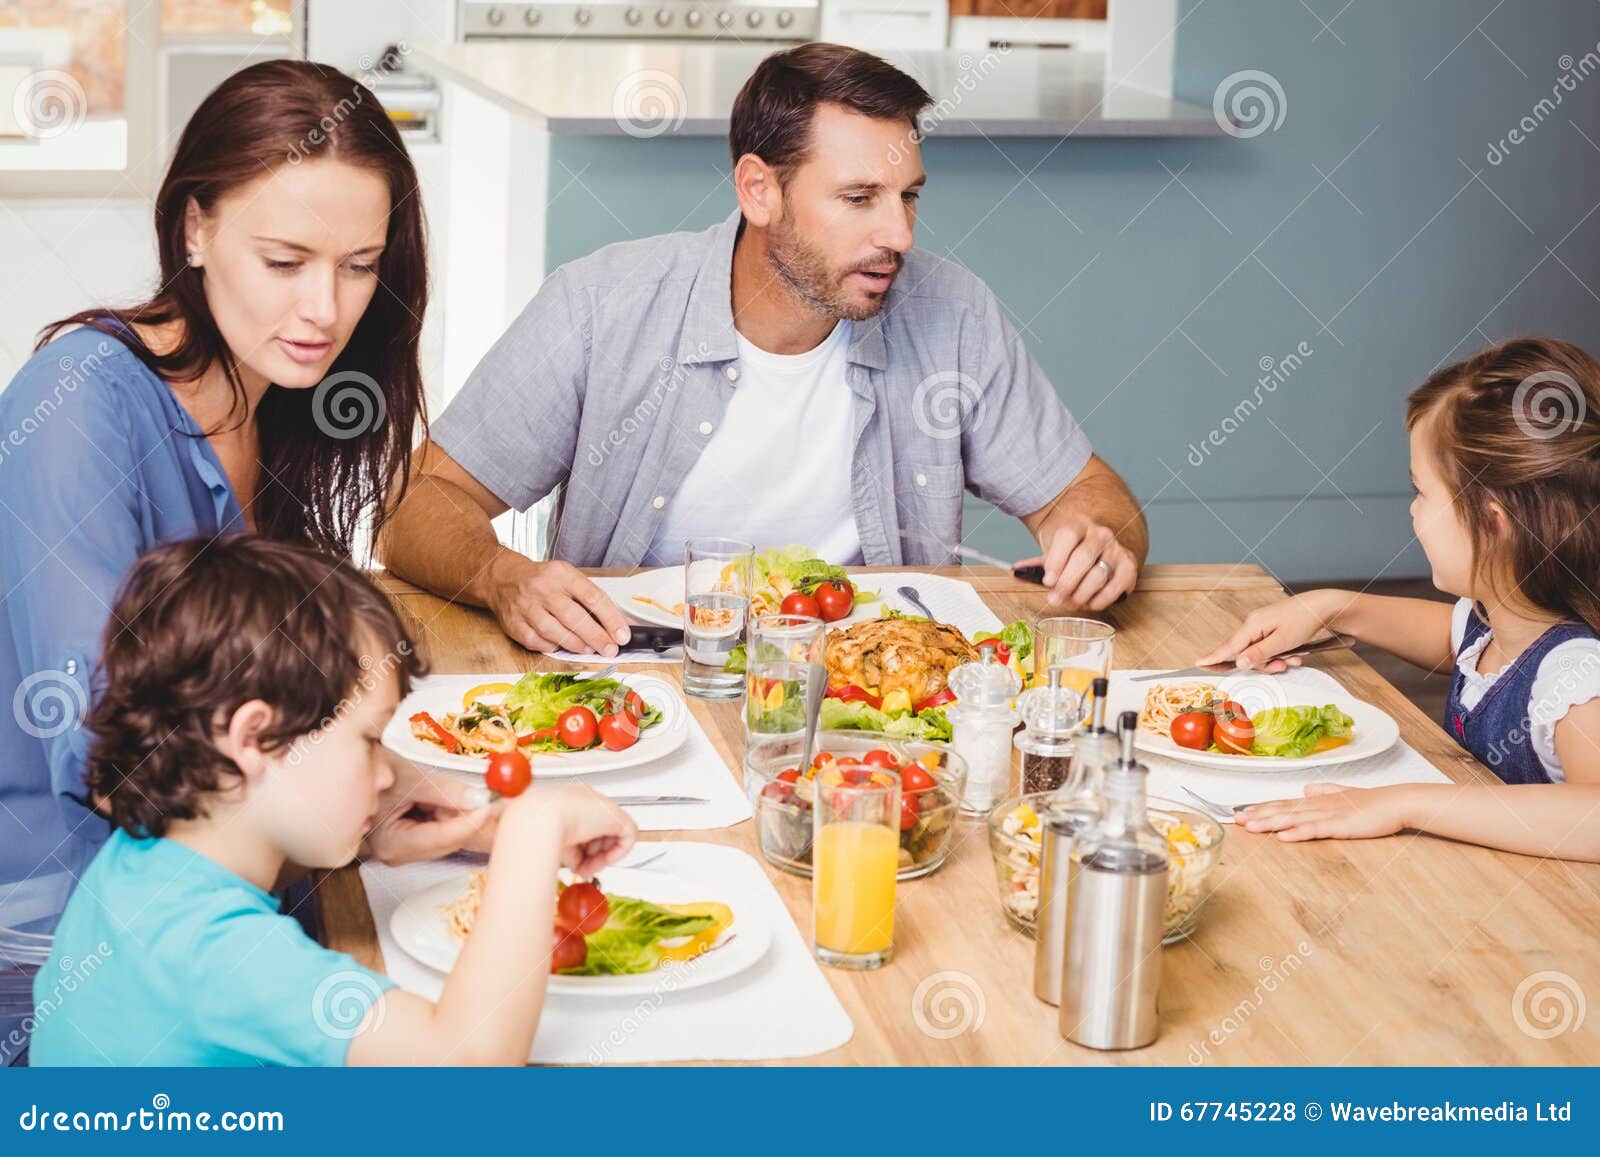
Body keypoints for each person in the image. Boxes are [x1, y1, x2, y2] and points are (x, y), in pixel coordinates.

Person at [0, 60, 484, 1061]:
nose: (326, 307)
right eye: (286, 259)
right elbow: (111, 750)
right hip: (70, 953)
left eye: (360, 264)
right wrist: (361, 805)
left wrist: (379, 792)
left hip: (234, 890)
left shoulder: (276, 395)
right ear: (193, 228)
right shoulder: (80, 402)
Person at [379, 42, 1147, 659]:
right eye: (859, 199)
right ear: (759, 190)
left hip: (871, 694)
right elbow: (416, 504)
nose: (900, 236)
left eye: (908, 196)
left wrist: (1099, 541)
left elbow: (1085, 493)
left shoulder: (953, 315)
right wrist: (499, 574)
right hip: (645, 684)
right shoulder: (602, 305)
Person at [27, 536, 636, 1066]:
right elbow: (465, 1059)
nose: (384, 776)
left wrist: (366, 838)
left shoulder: (146, 862)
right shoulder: (217, 955)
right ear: (253, 738)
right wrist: (535, 827)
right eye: (370, 741)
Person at [1197, 338, 1600, 862]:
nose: (1412, 511)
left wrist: (1405, 804)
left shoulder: (1575, 673)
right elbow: (1449, 638)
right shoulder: (1504, 622)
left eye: (1422, 492)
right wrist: (1331, 607)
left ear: (1494, 522)